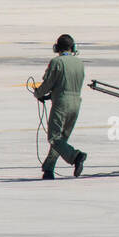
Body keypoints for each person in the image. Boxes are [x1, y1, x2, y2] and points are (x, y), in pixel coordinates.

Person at [33, 34, 87, 179]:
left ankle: (76, 156)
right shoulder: (80, 63)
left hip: (61, 104)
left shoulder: (56, 62)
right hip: (76, 103)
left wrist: (38, 94)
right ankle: (49, 169)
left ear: (57, 48)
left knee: (54, 138)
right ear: (73, 47)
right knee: (61, 139)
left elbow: (48, 83)